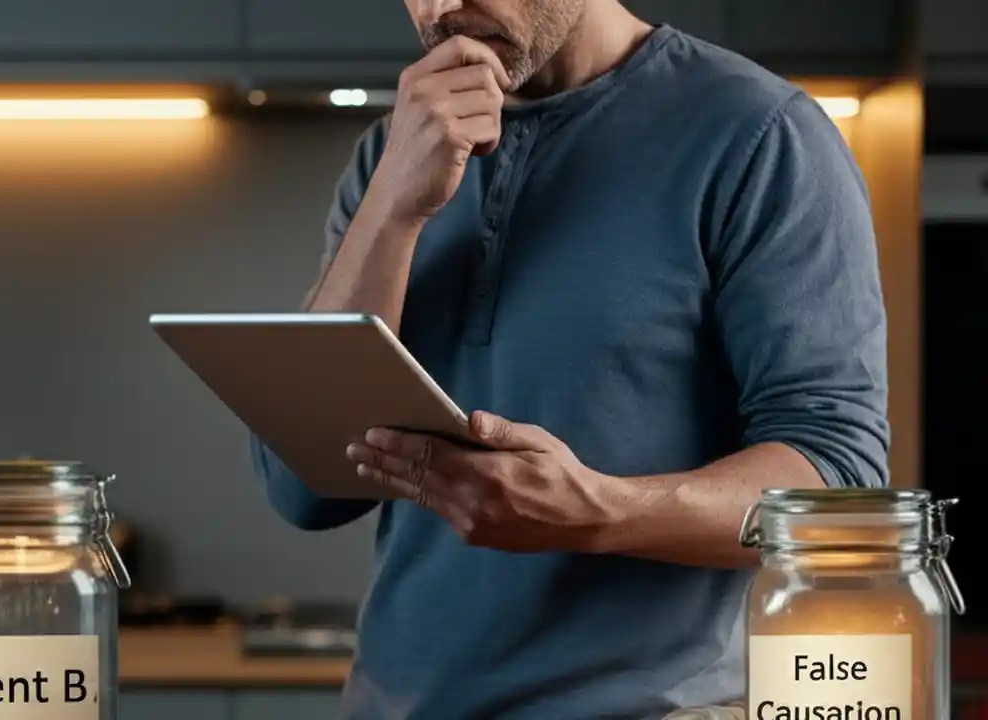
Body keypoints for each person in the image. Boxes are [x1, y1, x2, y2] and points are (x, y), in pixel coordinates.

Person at [251, 0, 889, 717]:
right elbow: (303, 487)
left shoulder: (759, 135)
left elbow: (838, 486)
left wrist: (598, 511)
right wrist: (393, 203)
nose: (443, 9)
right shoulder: (392, 151)